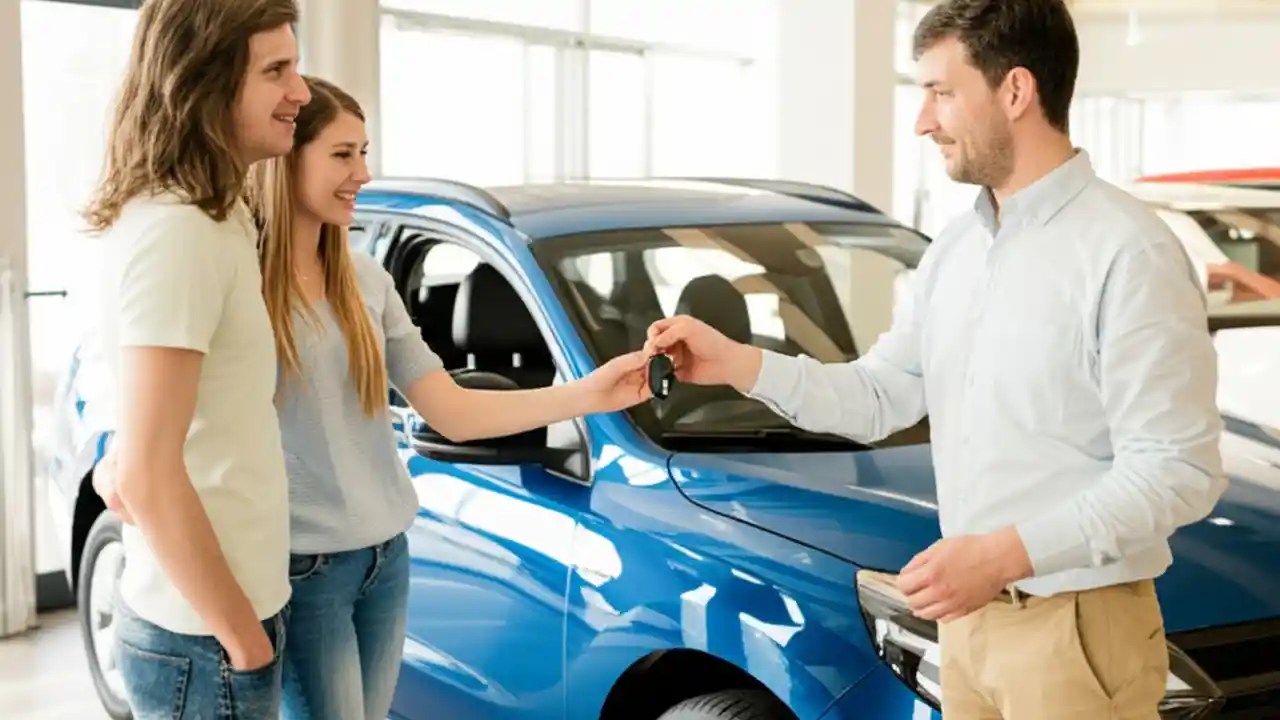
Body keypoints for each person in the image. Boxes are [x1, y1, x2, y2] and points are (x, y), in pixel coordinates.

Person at [643, 1, 1226, 718]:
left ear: (1015, 91)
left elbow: (1177, 472)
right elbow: (882, 394)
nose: (923, 121)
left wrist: (1003, 555)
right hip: (967, 626)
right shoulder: (956, 249)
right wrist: (741, 364)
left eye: (941, 93)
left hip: (1074, 634)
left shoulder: (1128, 251)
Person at [103, 75, 652, 719]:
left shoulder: (365, 280)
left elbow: (451, 409)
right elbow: (155, 428)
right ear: (286, 157)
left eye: (364, 152)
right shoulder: (232, 277)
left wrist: (588, 394)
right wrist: (116, 463)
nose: (362, 173)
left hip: (385, 557)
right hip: (301, 570)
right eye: (342, 154)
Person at [82, 0, 310, 716]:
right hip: (206, 638)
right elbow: (149, 472)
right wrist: (245, 642)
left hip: (220, 620)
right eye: (277, 71)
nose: (300, 92)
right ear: (205, 85)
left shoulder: (219, 213)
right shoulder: (178, 232)